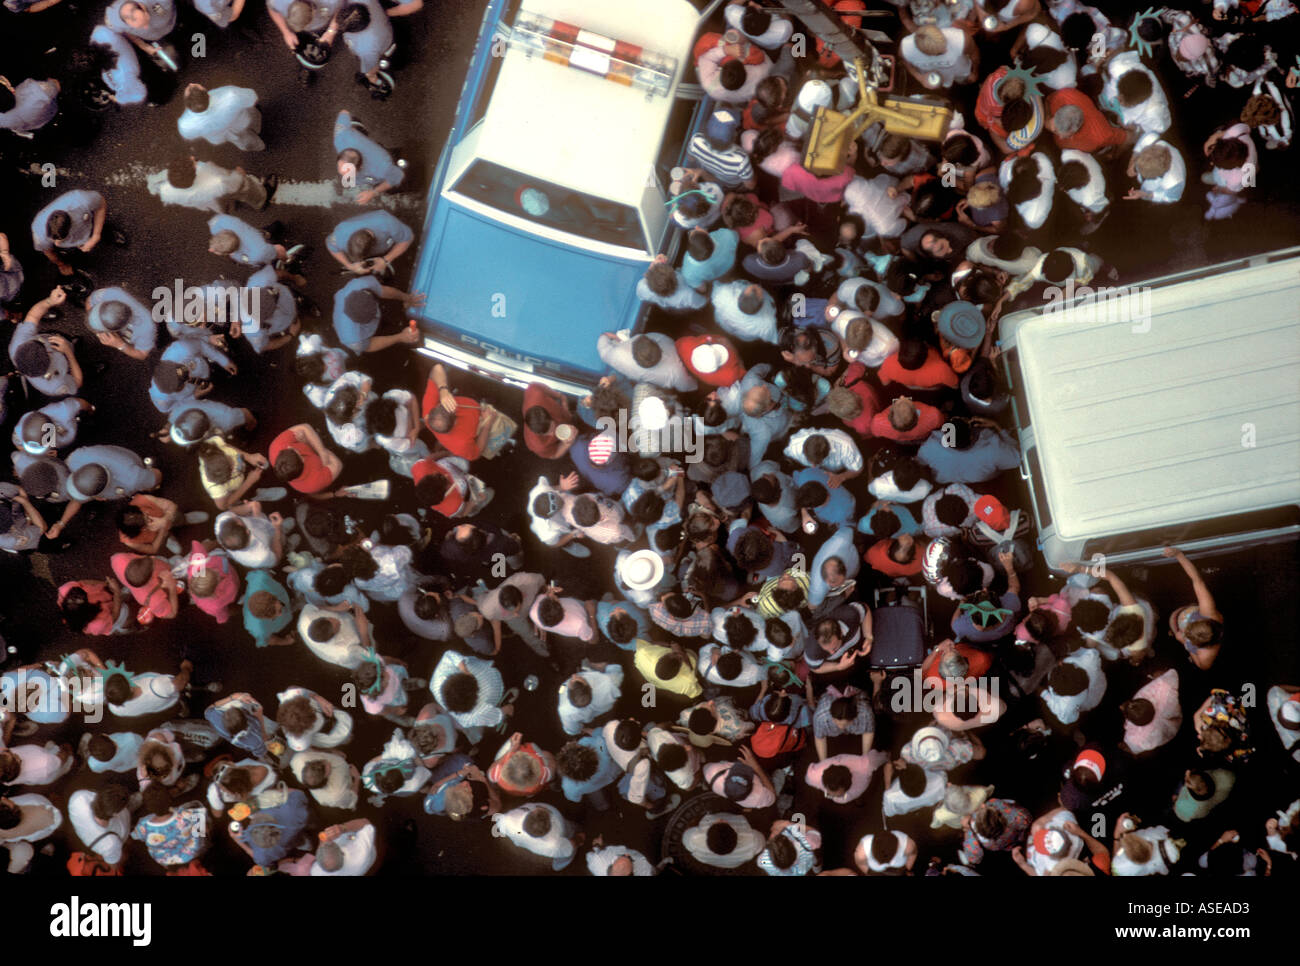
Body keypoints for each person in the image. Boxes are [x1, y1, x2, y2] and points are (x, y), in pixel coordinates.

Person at [334, 110, 405, 203]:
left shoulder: (380, 166)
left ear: (361, 167)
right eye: (340, 169)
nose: (343, 175)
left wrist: (373, 192)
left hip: (383, 159)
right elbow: (344, 112)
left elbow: (398, 175)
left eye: (347, 173)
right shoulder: (340, 138)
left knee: (395, 183)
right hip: (362, 144)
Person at [178, 84, 264, 150]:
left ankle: (258, 147)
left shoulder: (185, 125)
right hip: (243, 121)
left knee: (243, 141)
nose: (190, 84)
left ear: (188, 106)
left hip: (222, 136)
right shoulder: (231, 95)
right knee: (254, 121)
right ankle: (259, 130)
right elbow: (252, 97)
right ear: (208, 95)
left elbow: (189, 136)